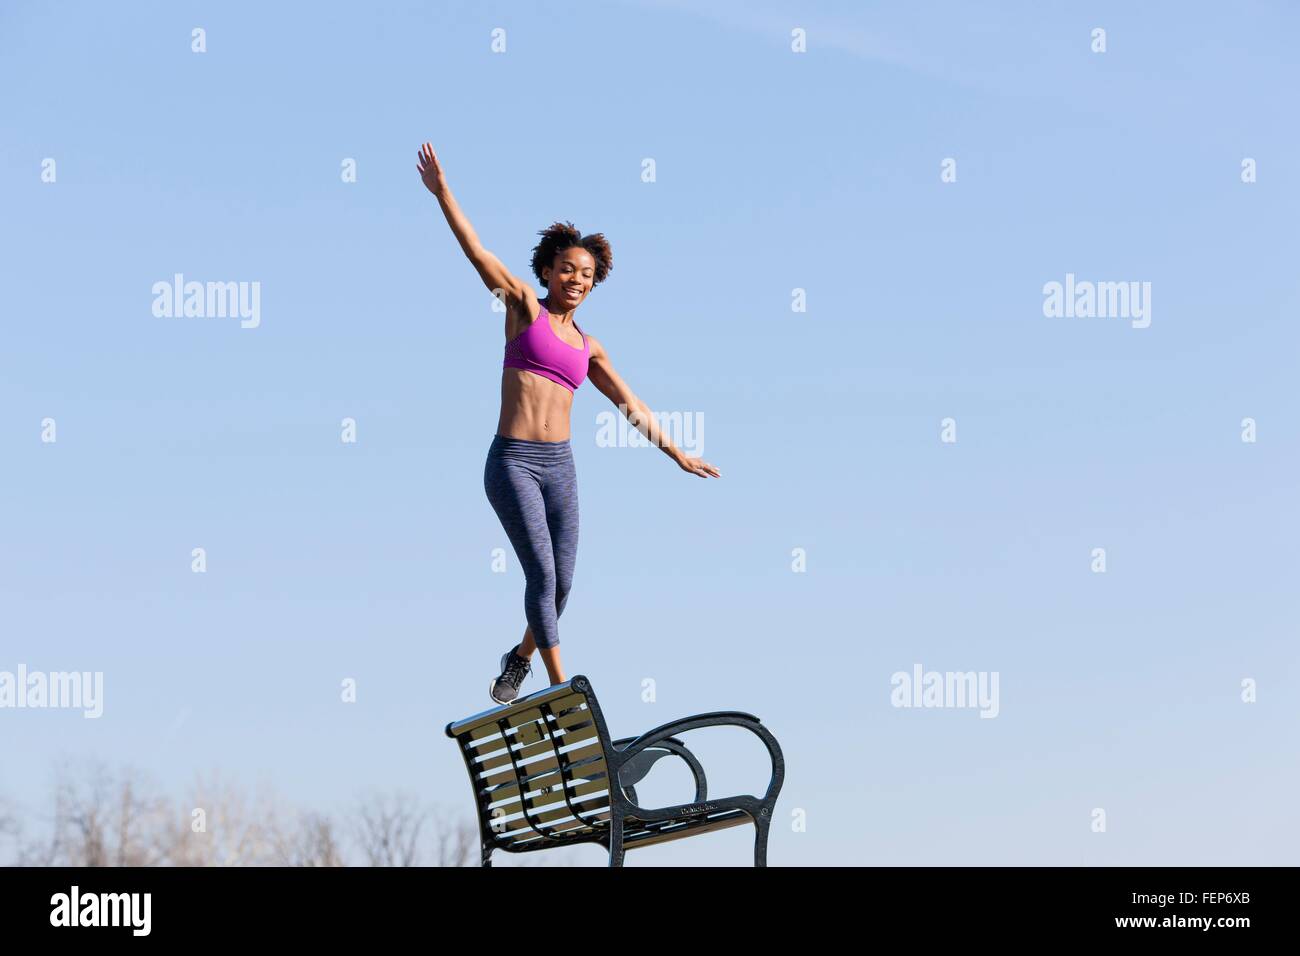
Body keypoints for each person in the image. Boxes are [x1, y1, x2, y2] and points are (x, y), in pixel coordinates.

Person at [416, 142, 721, 704]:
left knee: (563, 585)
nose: (575, 279)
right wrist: (443, 194)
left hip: (561, 466)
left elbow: (632, 405)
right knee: (543, 578)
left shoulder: (589, 348)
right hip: (512, 462)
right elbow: (475, 250)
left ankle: (519, 659)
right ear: (547, 272)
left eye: (585, 274)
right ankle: (562, 689)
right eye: (566, 270)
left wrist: (678, 453)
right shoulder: (522, 310)